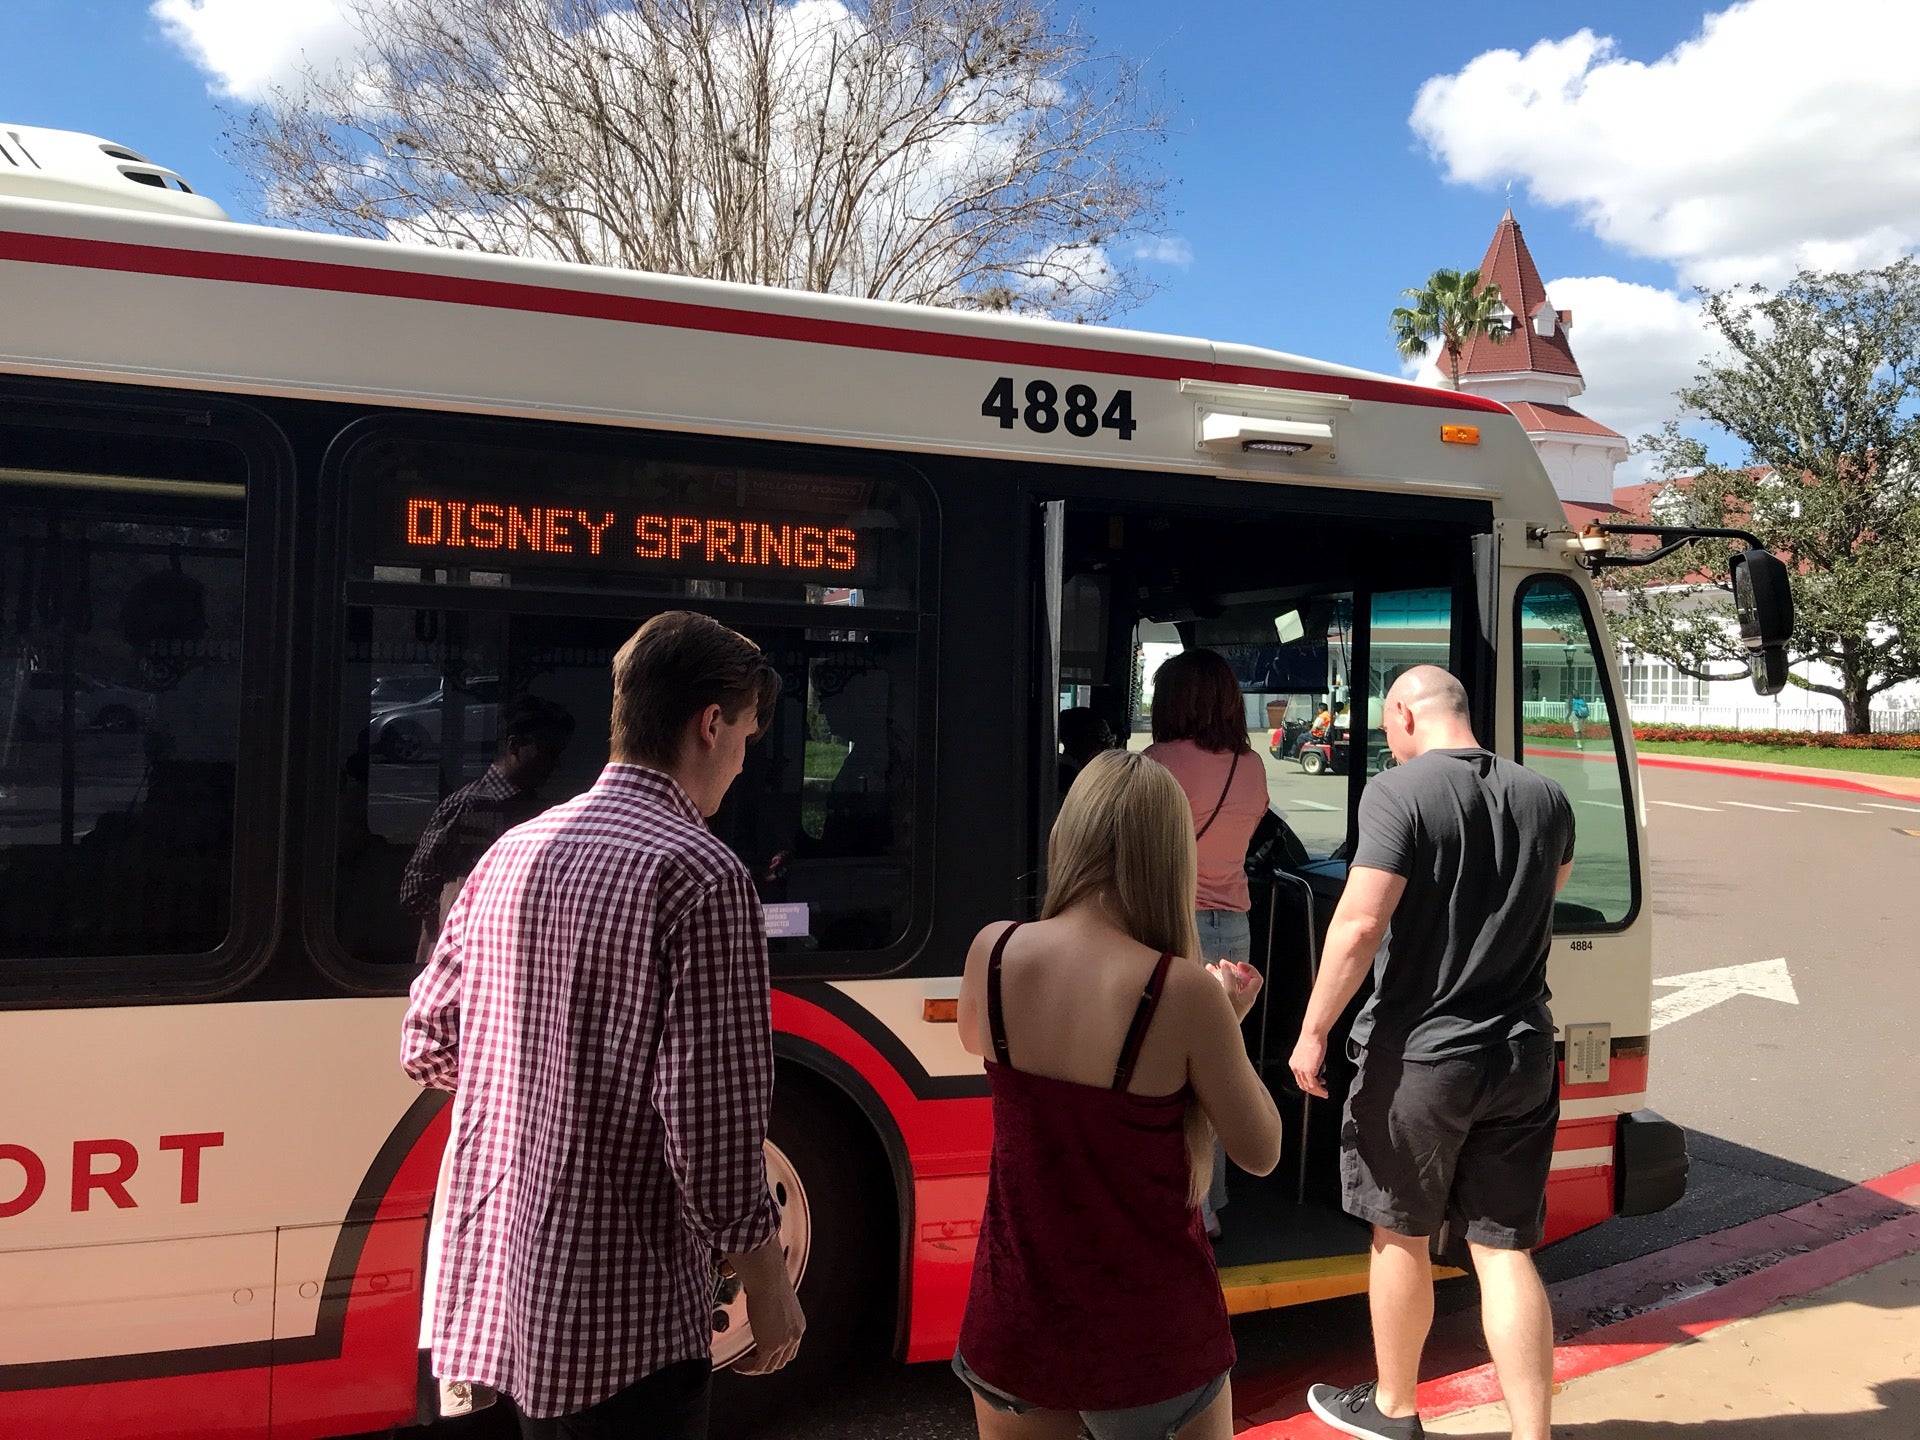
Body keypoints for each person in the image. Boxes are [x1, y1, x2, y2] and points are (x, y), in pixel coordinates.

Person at [400, 611, 805, 1439]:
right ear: (711, 723)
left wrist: (545, 1071)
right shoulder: (700, 873)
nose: (740, 760)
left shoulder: (511, 851)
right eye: (746, 738)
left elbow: (428, 1041)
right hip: (623, 1321)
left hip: (494, 1301)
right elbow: (710, 1123)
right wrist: (767, 1282)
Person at [953, 749, 1282, 1440]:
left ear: (1070, 836)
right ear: (1171, 857)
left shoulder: (993, 950)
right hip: (1151, 1340)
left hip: (1014, 1319)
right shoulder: (1183, 992)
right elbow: (1261, 1150)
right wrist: (1225, 1024)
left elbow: (993, 1051)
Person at [1286, 666, 1574, 1440]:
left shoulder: (1397, 792)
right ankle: (1531, 1433)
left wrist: (1313, 1031)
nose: (1387, 738)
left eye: (1387, 724)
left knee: (1399, 1232)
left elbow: (1359, 923)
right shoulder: (1545, 797)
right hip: (1520, 1052)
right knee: (1504, 1249)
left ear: (1407, 713)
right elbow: (1550, 893)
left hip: (1421, 1055)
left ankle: (1394, 1409)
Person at [1143, 648, 1271, 1236]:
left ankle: (1184, 1198)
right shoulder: (1252, 767)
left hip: (1175, 923)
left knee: (1169, 1066)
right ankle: (1210, 1206)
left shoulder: (1154, 762)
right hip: (1234, 926)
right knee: (1218, 1067)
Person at [398, 693, 577, 959]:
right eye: (547, 752)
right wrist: (461, 916)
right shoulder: (466, 805)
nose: (554, 765)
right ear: (515, 746)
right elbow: (415, 888)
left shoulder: (541, 812)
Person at [1057, 705, 1116, 796]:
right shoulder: (1067, 781)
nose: (1108, 747)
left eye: (1110, 739)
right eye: (1101, 738)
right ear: (1071, 742)